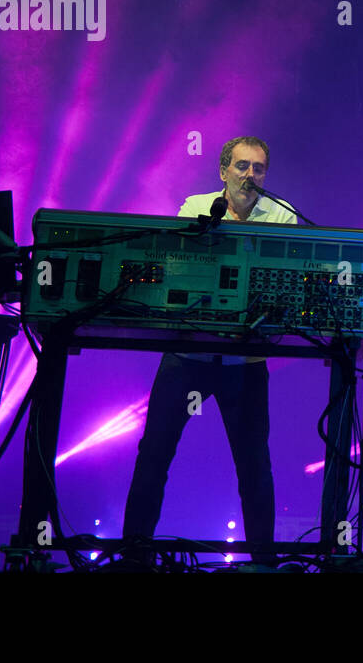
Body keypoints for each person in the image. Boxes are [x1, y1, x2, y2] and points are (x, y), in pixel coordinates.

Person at [122, 135, 297, 561]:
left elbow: (277, 276)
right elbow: (183, 269)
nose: (250, 175)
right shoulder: (195, 207)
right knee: (154, 454)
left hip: (246, 359)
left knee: (254, 465)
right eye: (242, 166)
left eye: (258, 168)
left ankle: (263, 562)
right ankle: (134, 556)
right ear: (223, 171)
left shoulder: (283, 214)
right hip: (190, 356)